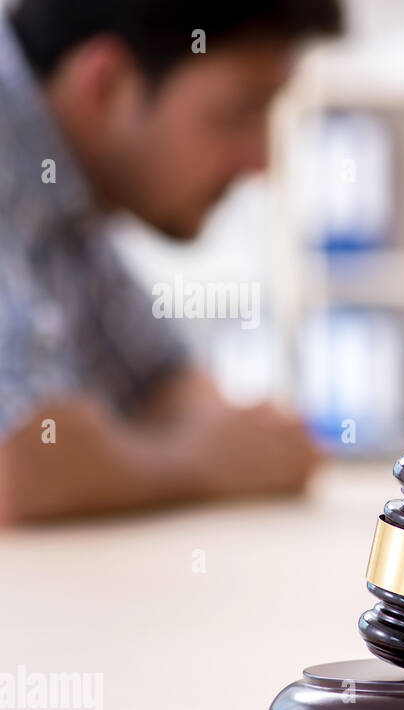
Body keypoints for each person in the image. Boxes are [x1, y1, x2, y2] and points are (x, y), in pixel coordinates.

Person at [0, 0, 343, 523]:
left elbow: (163, 381)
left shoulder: (65, 197)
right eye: (237, 116)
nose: (263, 163)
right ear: (106, 82)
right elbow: (14, 463)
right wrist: (205, 463)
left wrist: (225, 446)